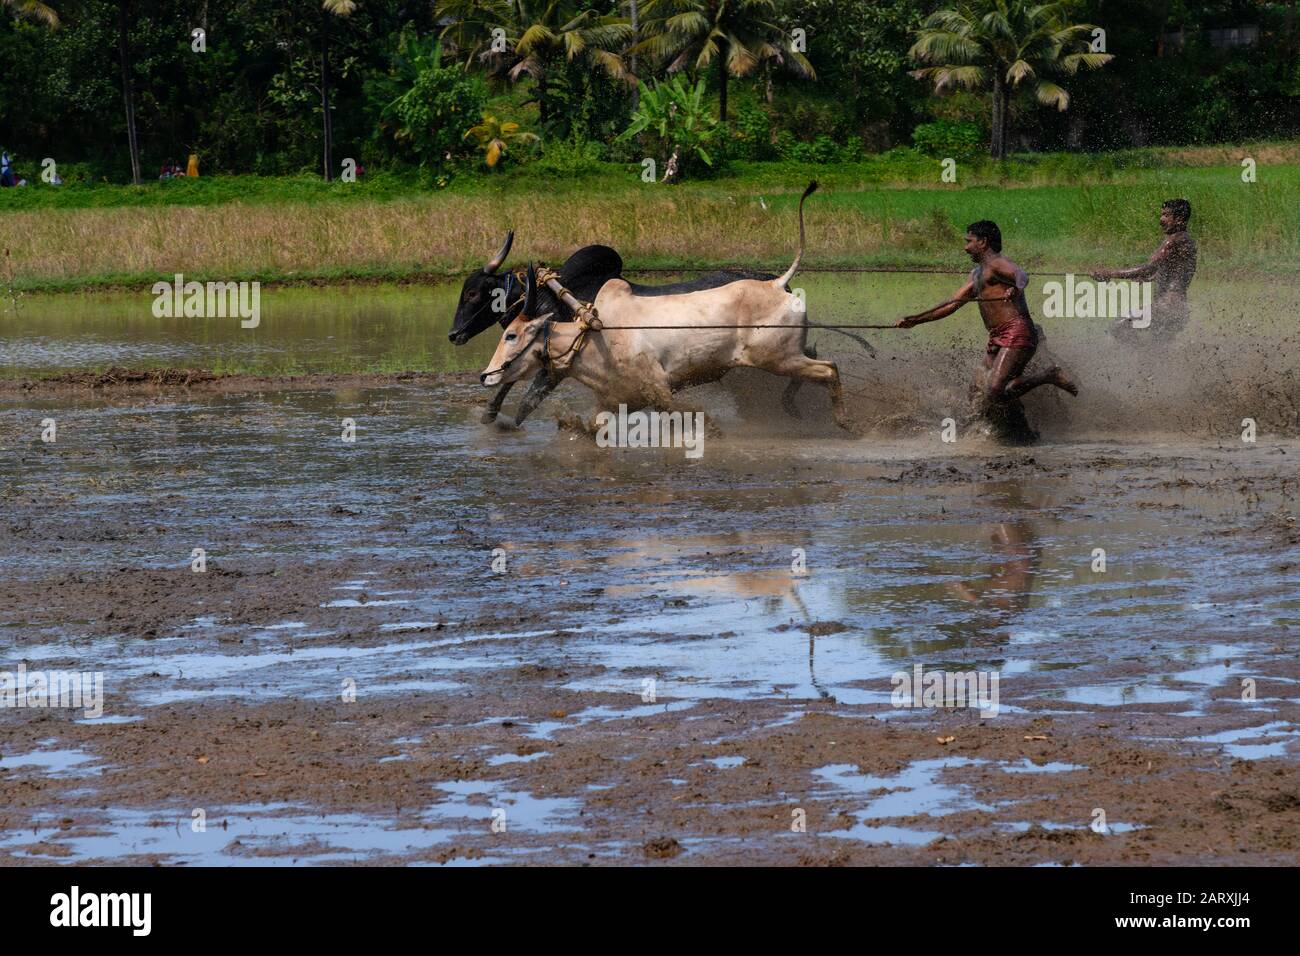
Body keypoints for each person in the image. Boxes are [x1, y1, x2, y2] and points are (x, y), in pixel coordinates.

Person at [896, 220, 1078, 408]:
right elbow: (952, 304)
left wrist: (1017, 288)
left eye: (969, 241)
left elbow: (1021, 275)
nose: (966, 248)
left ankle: (1048, 376)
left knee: (994, 392)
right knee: (976, 392)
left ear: (982, 242)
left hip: (1016, 332)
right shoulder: (977, 273)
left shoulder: (997, 263)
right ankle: (995, 431)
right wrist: (915, 320)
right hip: (998, 336)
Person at [1091, 198, 1197, 344]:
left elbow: (1148, 267)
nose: (1161, 220)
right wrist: (1152, 277)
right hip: (1177, 310)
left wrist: (1110, 273)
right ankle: (1147, 360)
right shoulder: (1187, 240)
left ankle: (1141, 355)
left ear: (1179, 219)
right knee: (1157, 352)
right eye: (1162, 215)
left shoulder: (1173, 241)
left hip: (1167, 307)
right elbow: (1177, 271)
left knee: (1119, 325)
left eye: (1166, 215)